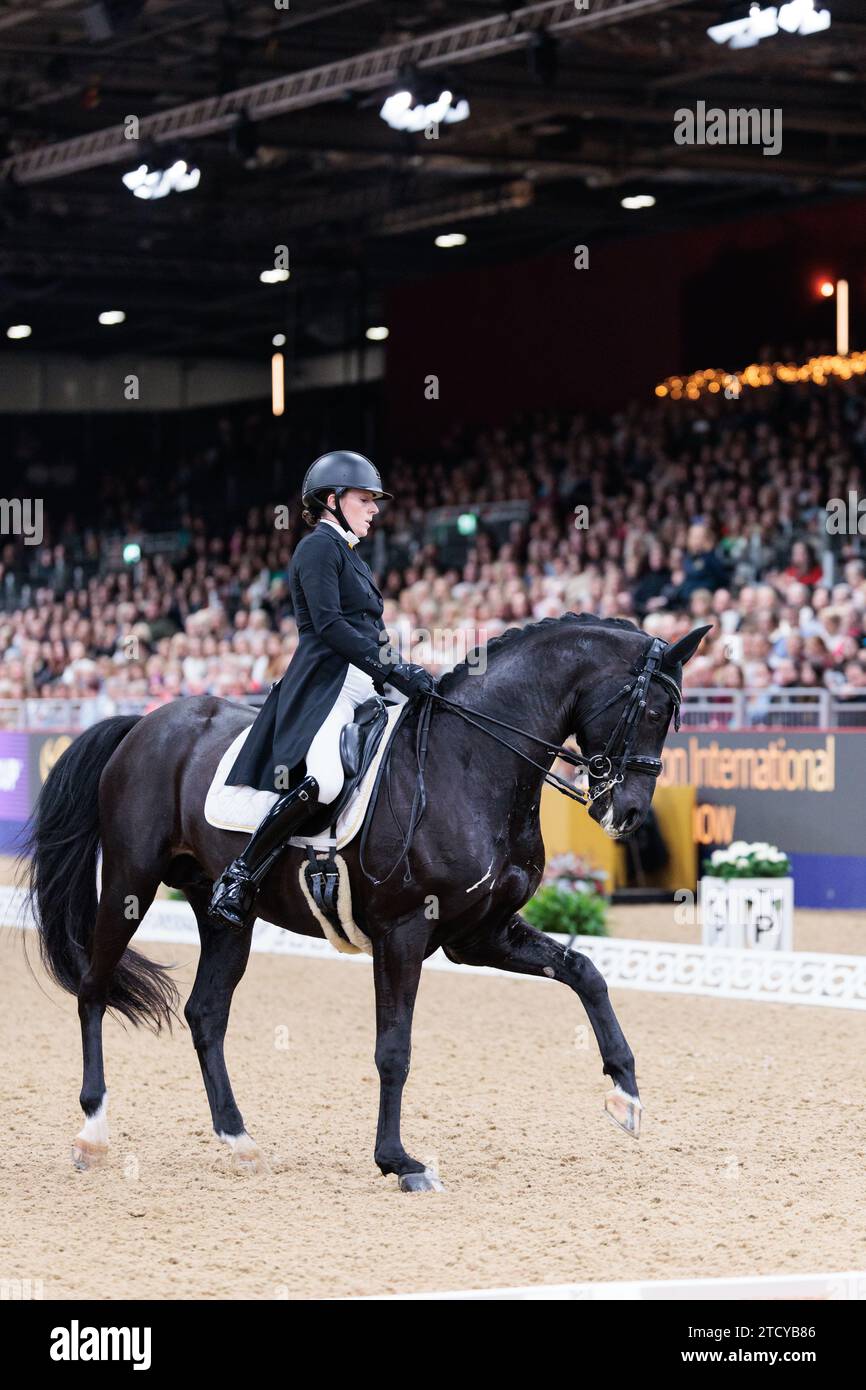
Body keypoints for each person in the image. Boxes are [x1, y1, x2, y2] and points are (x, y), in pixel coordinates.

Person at [209, 450, 435, 931]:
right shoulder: (318, 548)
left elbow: (369, 632)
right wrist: (396, 671)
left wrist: (407, 673)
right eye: (364, 499)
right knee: (329, 779)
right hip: (326, 685)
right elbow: (330, 627)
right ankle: (241, 873)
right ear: (332, 500)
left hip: (365, 683)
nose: (375, 509)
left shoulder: (352, 557)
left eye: (375, 501)